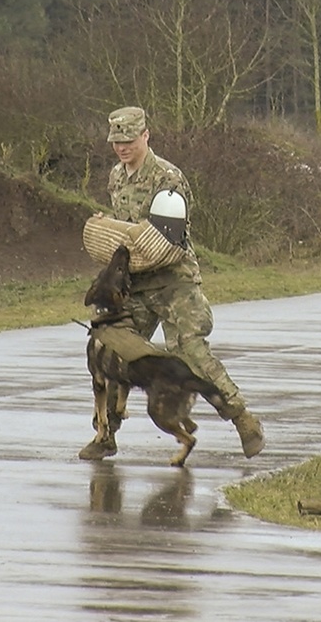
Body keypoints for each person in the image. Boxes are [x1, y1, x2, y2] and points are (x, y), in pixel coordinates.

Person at [78, 106, 264, 461]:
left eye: (129, 140)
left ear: (146, 135)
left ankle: (242, 419)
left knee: (189, 351)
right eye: (117, 141)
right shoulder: (116, 177)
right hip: (137, 284)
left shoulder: (168, 178)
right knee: (115, 351)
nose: (122, 147)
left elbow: (170, 237)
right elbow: (127, 232)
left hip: (174, 280)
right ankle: (105, 433)